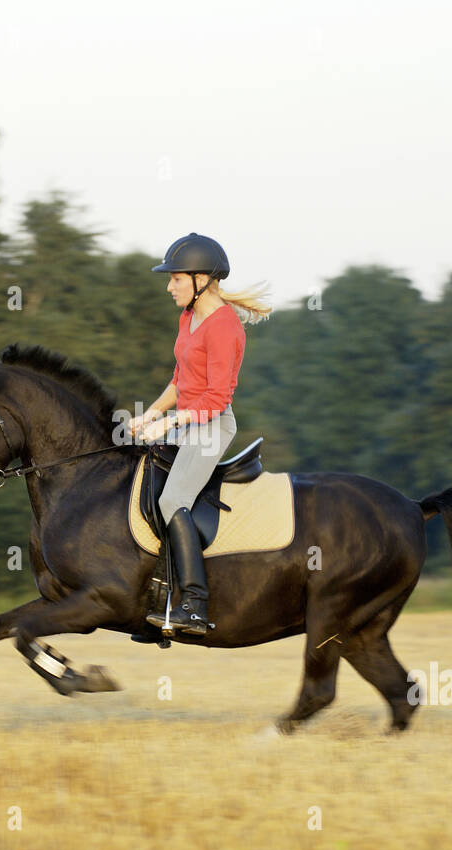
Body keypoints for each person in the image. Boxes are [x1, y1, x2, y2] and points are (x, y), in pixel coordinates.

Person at [128, 233, 272, 636]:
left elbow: (216, 396)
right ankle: (157, 599)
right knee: (144, 482)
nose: (168, 285)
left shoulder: (225, 327)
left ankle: (194, 603)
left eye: (175, 278)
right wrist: (151, 414)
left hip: (212, 426)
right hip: (188, 421)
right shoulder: (188, 318)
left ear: (200, 280)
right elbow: (180, 380)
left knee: (174, 498)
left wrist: (170, 423)